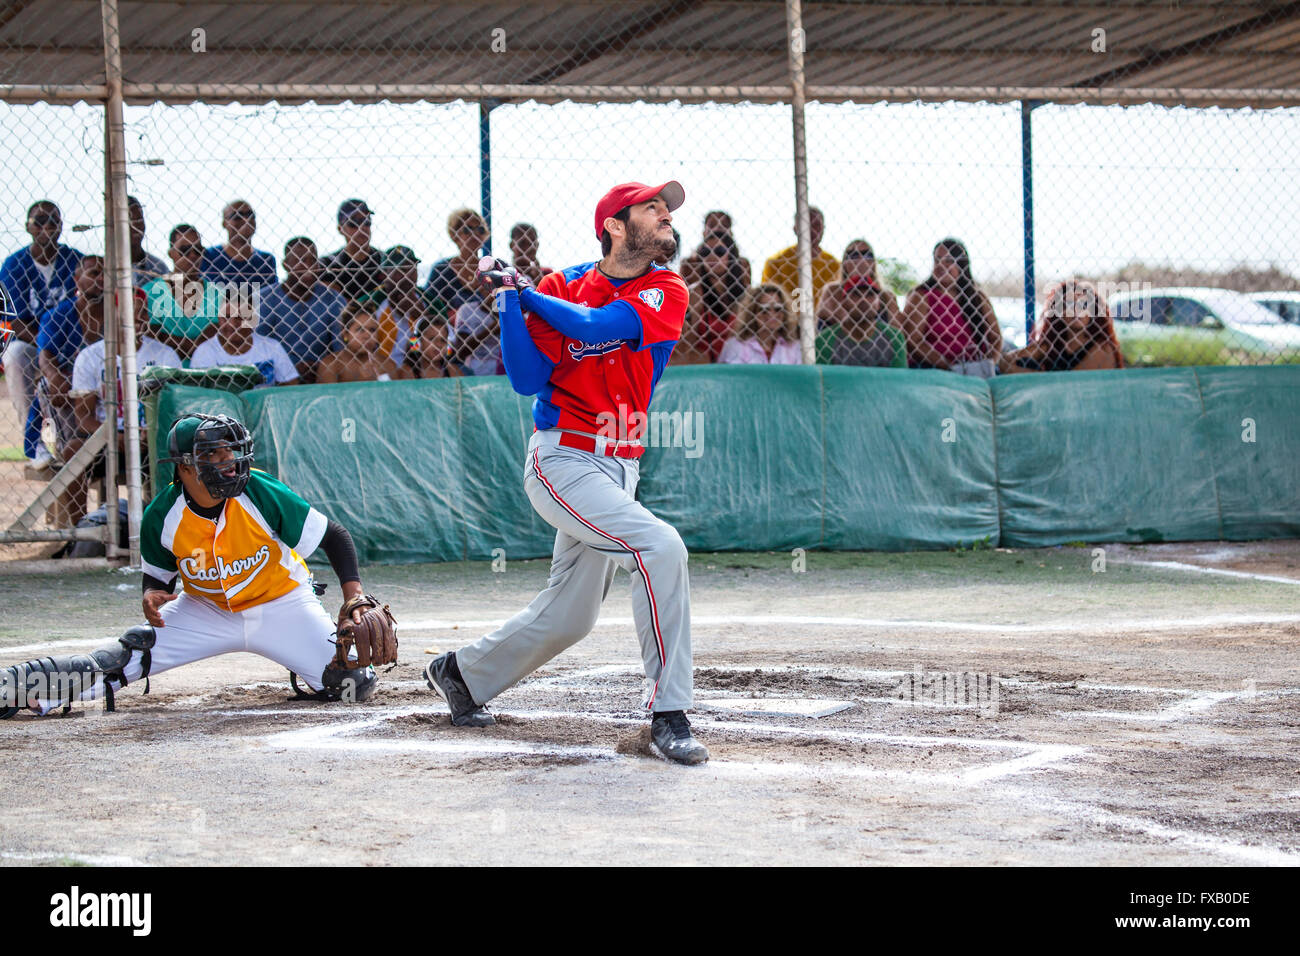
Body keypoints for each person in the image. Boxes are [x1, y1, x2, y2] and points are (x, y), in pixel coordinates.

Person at [423, 179, 707, 765]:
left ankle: (463, 674)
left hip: (620, 466)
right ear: (615, 226)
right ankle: (669, 713)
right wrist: (508, 302)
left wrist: (524, 293)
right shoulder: (561, 284)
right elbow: (528, 378)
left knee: (572, 614)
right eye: (652, 209)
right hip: (564, 459)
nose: (666, 217)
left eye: (667, 210)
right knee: (661, 546)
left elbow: (595, 329)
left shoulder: (666, 287)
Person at [0, 414, 394, 718]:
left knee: (351, 683)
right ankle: (23, 690)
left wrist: (354, 598)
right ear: (185, 466)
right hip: (204, 610)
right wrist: (150, 597)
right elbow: (157, 578)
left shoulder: (259, 490)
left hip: (283, 603)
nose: (228, 462)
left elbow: (334, 537)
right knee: (120, 659)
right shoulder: (162, 515)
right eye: (213, 454)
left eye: (230, 451)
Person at [1, 201, 82, 469]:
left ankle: (75, 437)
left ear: (60, 226)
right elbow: (13, 320)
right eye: (40, 220)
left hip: (72, 343)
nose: (47, 226)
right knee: (13, 355)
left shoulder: (74, 260)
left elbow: (83, 309)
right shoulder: (14, 265)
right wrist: (45, 346)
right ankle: (34, 442)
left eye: (53, 221)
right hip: (32, 343)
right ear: (28, 226)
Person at [37, 255, 105, 480]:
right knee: (47, 385)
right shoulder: (62, 314)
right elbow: (45, 354)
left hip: (106, 388)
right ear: (77, 280)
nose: (102, 278)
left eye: (106, 273)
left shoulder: (117, 314)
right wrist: (55, 376)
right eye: (94, 273)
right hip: (72, 390)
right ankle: (62, 447)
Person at [901, 238, 1002, 377]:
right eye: (937, 260)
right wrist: (949, 366)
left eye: (948, 260)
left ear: (961, 264)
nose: (941, 265)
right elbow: (913, 341)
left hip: (975, 368)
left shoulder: (977, 297)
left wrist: (989, 365)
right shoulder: (922, 296)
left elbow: (995, 338)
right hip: (934, 369)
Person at [257, 237, 345, 383]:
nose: (309, 267)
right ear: (286, 264)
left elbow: (340, 348)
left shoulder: (332, 299)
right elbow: (258, 346)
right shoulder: (264, 299)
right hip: (277, 376)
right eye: (301, 260)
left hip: (323, 373)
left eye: (313, 261)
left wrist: (323, 367)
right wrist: (289, 368)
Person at [999, 279, 1125, 374]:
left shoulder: (1103, 348)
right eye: (1069, 304)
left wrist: (1029, 376)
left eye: (1084, 305)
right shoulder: (1053, 345)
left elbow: (1069, 385)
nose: (1077, 310)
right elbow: (1005, 362)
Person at [143, 224, 224, 362]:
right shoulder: (150, 292)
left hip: (208, 372)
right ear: (171, 253)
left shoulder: (218, 293)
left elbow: (220, 335)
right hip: (163, 373)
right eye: (185, 250)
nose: (193, 256)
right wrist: (198, 345)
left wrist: (169, 339)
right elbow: (151, 337)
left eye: (198, 250)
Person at [190, 298, 298, 387]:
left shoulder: (271, 347)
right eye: (226, 317)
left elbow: (291, 386)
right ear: (218, 318)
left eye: (240, 318)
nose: (232, 324)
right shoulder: (205, 352)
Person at [815, 275, 908, 368]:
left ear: (879, 303)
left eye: (870, 294)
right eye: (856, 294)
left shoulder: (894, 337)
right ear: (843, 303)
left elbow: (901, 379)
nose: (863, 299)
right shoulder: (825, 339)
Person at [761, 206, 840, 310]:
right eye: (806, 225)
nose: (812, 230)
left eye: (817, 225)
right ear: (795, 228)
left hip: (823, 322)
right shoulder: (776, 262)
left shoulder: (834, 264)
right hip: (786, 322)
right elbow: (767, 299)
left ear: (823, 228)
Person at [686, 234, 749, 361]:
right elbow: (689, 341)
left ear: (731, 255)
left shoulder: (745, 293)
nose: (712, 257)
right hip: (706, 364)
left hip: (739, 362)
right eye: (705, 252)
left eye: (719, 251)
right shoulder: (695, 293)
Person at [816, 240, 902, 329]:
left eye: (867, 255)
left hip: (879, 342)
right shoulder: (832, 290)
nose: (861, 260)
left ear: (873, 263)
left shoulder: (886, 295)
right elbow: (823, 320)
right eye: (854, 255)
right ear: (844, 263)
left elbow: (897, 331)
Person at [199, 200, 277, 296]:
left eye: (250, 215)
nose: (246, 220)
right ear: (224, 223)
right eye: (237, 216)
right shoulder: (208, 256)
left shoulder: (266, 260)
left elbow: (272, 299)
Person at [316, 302, 405, 384]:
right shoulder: (332, 364)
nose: (367, 336)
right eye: (360, 330)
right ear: (345, 334)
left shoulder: (387, 364)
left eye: (372, 330)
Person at [425, 208, 488, 319]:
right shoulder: (442, 269)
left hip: (493, 331)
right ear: (454, 235)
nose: (475, 234)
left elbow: (502, 306)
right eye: (467, 229)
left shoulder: (491, 267)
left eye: (480, 229)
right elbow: (430, 307)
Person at [321, 199, 385, 305]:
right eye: (354, 222)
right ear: (340, 228)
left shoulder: (383, 260)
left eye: (367, 221)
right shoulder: (328, 264)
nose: (362, 227)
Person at [719, 284, 802, 365]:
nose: (772, 314)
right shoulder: (736, 346)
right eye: (764, 309)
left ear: (785, 313)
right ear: (752, 313)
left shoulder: (794, 347)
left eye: (778, 308)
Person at [374, 244, 424, 366]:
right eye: (401, 270)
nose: (407, 276)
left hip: (419, 371)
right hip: (380, 372)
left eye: (412, 268)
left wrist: (421, 316)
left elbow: (449, 349)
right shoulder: (372, 303)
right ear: (384, 274)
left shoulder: (430, 301)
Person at [679, 210, 752, 287]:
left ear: (731, 233)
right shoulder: (689, 264)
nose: (718, 228)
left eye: (725, 225)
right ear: (704, 233)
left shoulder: (743, 264)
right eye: (712, 225)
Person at [450, 284, 501, 376]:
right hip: (476, 368)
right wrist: (491, 330)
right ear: (482, 288)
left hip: (505, 366)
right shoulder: (468, 310)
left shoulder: (514, 312)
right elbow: (461, 351)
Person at [404, 309, 468, 379]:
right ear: (417, 342)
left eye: (443, 340)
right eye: (432, 339)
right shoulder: (407, 371)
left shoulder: (453, 371)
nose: (438, 345)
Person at [128, 196, 169, 286]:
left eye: (139, 220)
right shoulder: (104, 267)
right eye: (129, 221)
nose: (136, 226)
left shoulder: (158, 267)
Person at [509, 222, 552, 288]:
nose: (528, 247)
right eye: (522, 243)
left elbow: (551, 297)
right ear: (511, 245)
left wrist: (538, 278)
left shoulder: (547, 274)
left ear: (537, 245)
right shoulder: (505, 274)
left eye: (532, 242)